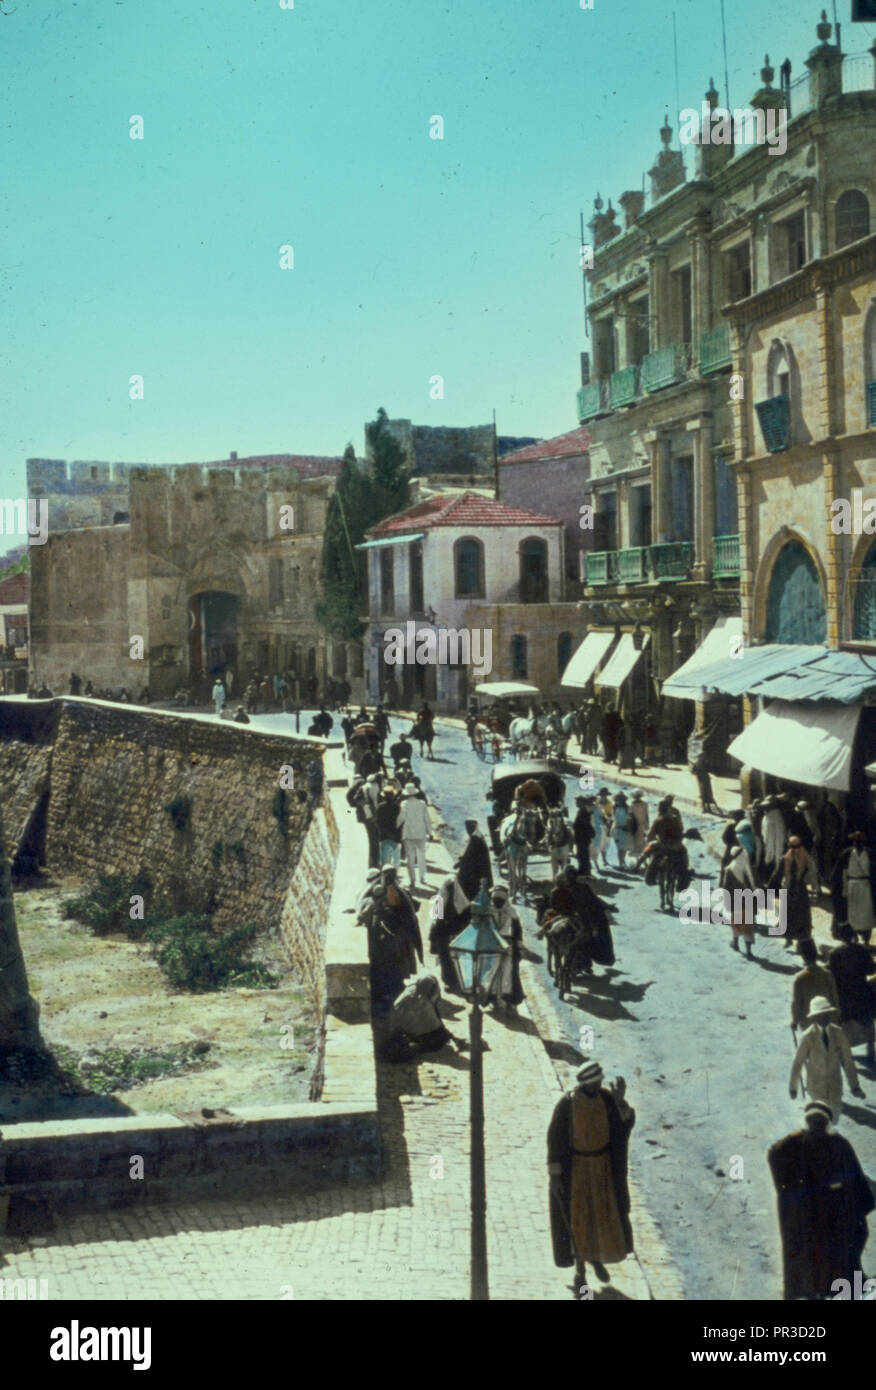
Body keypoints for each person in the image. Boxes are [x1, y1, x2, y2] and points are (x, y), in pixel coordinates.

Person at [768, 1100, 874, 1301]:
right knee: (840, 1251)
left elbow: (774, 1154)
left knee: (822, 1255)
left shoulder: (799, 1143)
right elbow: (857, 1182)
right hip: (831, 1216)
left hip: (818, 1217)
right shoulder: (836, 1143)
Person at [547, 1062, 635, 1295]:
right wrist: (556, 1176)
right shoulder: (567, 1104)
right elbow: (555, 1141)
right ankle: (580, 1274)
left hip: (602, 1170)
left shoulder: (606, 1099)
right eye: (595, 1082)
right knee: (578, 1221)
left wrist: (621, 1103)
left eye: (599, 1081)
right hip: (576, 1173)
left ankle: (594, 1258)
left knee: (602, 1218)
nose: (599, 1084)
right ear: (585, 1083)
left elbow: (622, 1126)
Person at [790, 996, 864, 1123]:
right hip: (816, 1088)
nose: (824, 1018)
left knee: (833, 1122)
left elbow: (848, 1060)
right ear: (814, 1017)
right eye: (820, 1015)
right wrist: (793, 1087)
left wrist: (854, 1085)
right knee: (819, 1123)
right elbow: (798, 1062)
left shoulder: (838, 1033)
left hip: (835, 1087)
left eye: (826, 1015)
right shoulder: (808, 1036)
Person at [381, 975, 466, 1062]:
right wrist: (453, 1038)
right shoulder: (422, 1002)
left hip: (399, 1025)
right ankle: (415, 1047)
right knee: (439, 1040)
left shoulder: (413, 989)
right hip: (405, 1030)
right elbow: (436, 1025)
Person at [829, 922, 876, 1067]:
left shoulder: (835, 953)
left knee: (844, 1022)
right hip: (861, 991)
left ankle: (845, 1050)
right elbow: (870, 970)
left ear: (840, 936)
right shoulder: (862, 951)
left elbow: (831, 973)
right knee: (866, 1019)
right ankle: (870, 1047)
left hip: (844, 993)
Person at [769, 836, 817, 949]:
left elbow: (813, 874)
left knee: (802, 918)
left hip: (801, 892)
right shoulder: (785, 859)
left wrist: (814, 888)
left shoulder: (807, 860)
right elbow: (777, 874)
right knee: (788, 916)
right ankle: (788, 939)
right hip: (788, 890)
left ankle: (801, 944)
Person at [831, 830, 876, 946]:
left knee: (866, 915)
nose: (858, 844)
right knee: (851, 914)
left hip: (866, 887)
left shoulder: (870, 854)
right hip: (851, 887)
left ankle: (866, 939)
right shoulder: (846, 854)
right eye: (856, 841)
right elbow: (837, 873)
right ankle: (852, 938)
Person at [487, 884, 524, 1014]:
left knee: (509, 972)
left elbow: (518, 931)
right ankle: (492, 998)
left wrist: (519, 946)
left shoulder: (512, 912)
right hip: (491, 945)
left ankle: (509, 1000)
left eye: (500, 900)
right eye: (495, 900)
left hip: (508, 946)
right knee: (491, 972)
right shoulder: (488, 910)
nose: (498, 903)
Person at [429, 875, 469, 993]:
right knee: (446, 958)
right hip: (445, 931)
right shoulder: (444, 897)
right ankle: (450, 982)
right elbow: (437, 916)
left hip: (452, 931)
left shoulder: (454, 895)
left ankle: (454, 981)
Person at [791, 938, 839, 1036]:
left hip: (809, 1021)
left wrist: (794, 1021)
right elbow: (834, 996)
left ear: (803, 957)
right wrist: (837, 1015)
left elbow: (797, 1003)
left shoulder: (800, 978)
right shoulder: (827, 974)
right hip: (827, 1018)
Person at [398, 782, 432, 889]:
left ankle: (412, 880)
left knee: (410, 858)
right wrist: (430, 832)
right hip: (421, 833)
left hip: (408, 833)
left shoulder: (404, 804)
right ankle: (422, 877)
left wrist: (396, 827)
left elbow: (401, 819)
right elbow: (427, 819)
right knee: (422, 856)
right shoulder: (422, 804)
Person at [456, 820, 493, 900]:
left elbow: (468, 855)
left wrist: (460, 863)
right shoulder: (478, 836)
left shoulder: (475, 838)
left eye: (468, 828)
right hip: (480, 871)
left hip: (476, 873)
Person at [376, 786, 401, 868]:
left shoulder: (380, 807)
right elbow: (399, 822)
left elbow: (378, 822)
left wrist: (385, 832)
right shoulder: (397, 807)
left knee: (384, 858)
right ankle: (395, 875)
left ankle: (384, 875)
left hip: (384, 835)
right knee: (396, 859)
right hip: (395, 835)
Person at [572, 797, 595, 878]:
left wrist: (573, 825)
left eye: (578, 801)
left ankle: (584, 872)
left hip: (582, 837)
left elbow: (583, 824)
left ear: (582, 802)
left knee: (583, 855)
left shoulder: (582, 811)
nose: (576, 803)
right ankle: (584, 871)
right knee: (583, 854)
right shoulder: (584, 811)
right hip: (583, 837)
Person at [611, 790, 631, 870]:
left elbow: (630, 819)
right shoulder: (614, 808)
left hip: (625, 829)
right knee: (619, 848)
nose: (618, 801)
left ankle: (622, 861)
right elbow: (613, 819)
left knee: (624, 847)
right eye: (617, 800)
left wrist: (627, 826)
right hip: (616, 829)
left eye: (620, 800)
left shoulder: (628, 809)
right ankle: (621, 863)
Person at [629, 790, 649, 860]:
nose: (637, 798)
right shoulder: (631, 805)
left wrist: (647, 826)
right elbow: (630, 817)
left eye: (638, 796)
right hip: (634, 826)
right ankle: (636, 860)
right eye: (636, 797)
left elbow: (646, 815)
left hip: (642, 825)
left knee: (642, 843)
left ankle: (640, 860)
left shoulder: (645, 804)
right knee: (635, 843)